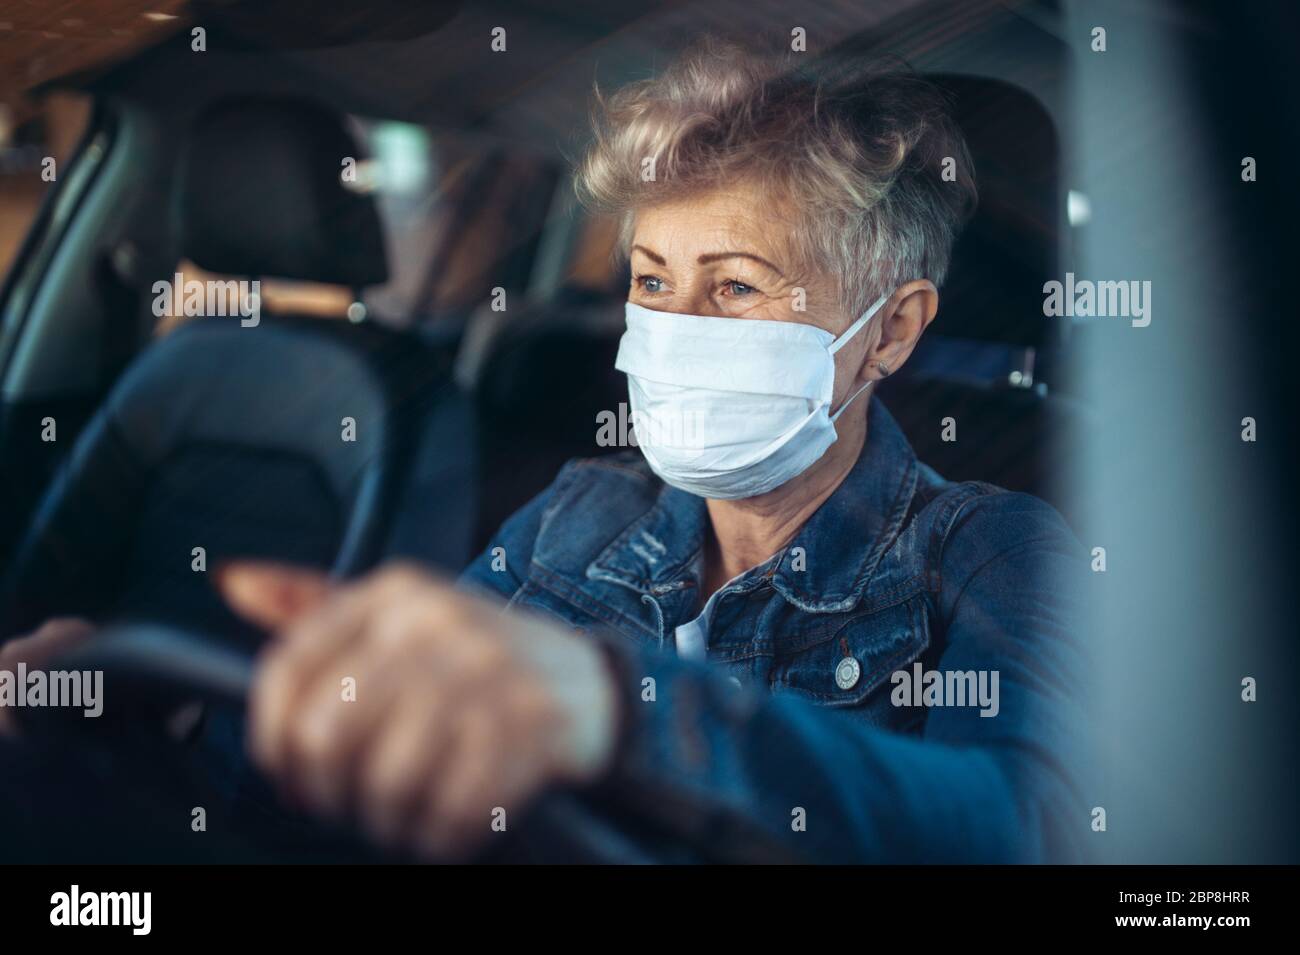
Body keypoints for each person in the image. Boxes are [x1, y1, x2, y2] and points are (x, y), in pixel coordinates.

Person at [3, 42, 1089, 863]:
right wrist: (159, 695)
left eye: (739, 285)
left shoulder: (995, 550)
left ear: (890, 331)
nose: (674, 326)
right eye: (653, 281)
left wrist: (618, 707)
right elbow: (390, 730)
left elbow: (1019, 822)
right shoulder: (581, 513)